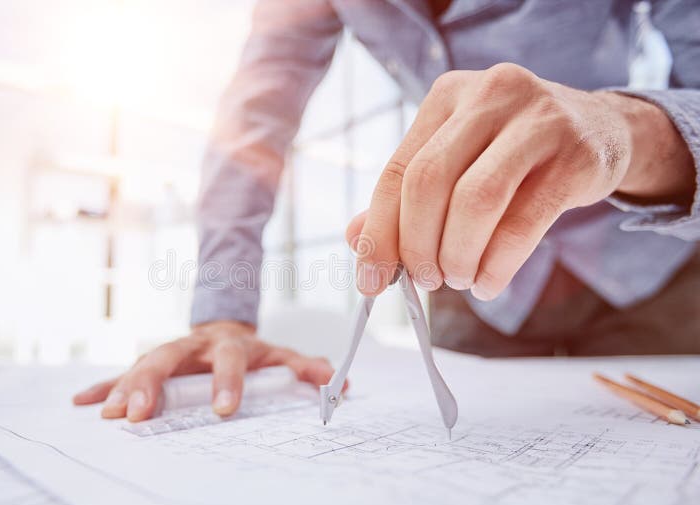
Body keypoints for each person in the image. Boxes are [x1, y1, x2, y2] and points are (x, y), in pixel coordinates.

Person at [74, 0, 700, 422]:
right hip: (464, 281)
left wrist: (627, 134)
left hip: (652, 267)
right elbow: (250, 131)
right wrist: (222, 315)